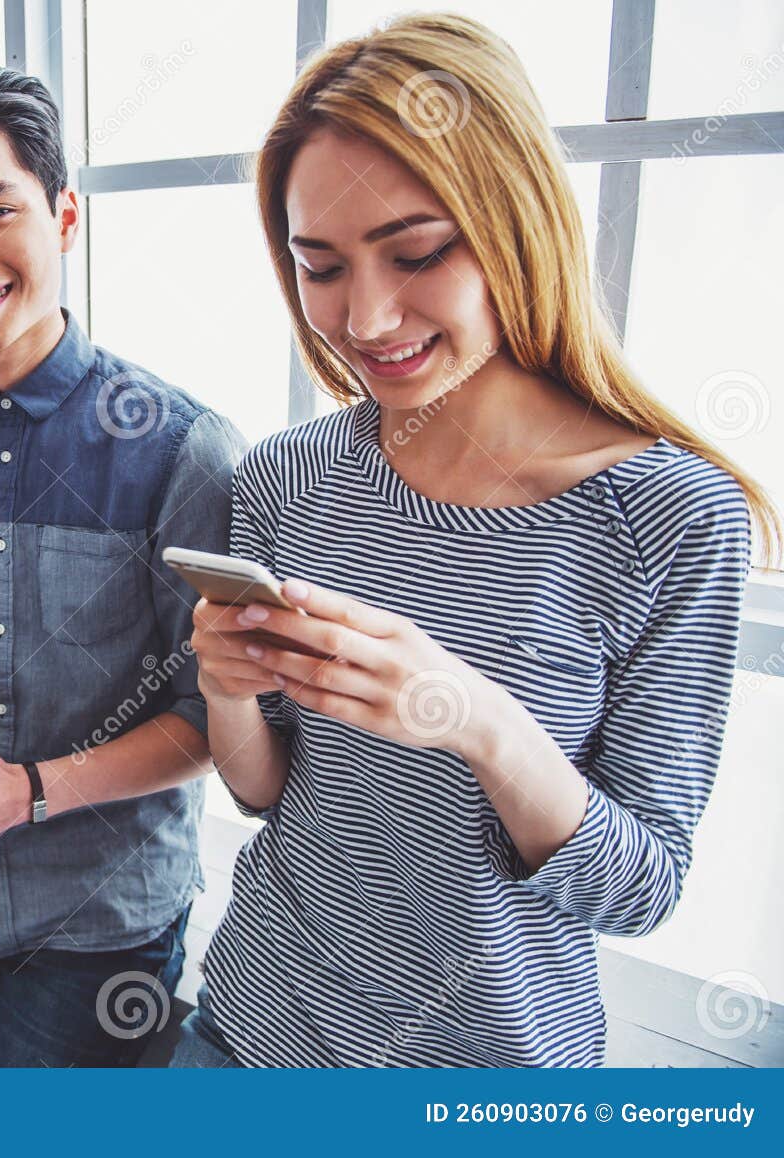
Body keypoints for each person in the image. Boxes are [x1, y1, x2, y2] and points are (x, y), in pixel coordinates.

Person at [179, 12, 778, 1068]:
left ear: (514, 224)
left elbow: (636, 890)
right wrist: (227, 685)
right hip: (245, 1033)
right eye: (319, 266)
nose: (364, 319)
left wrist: (479, 721)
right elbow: (264, 792)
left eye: (414, 254)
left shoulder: (671, 520)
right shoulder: (285, 474)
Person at [0, 67, 247, 1067]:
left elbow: (212, 723)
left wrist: (28, 790)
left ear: (63, 216)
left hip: (98, 921)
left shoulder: (181, 448)